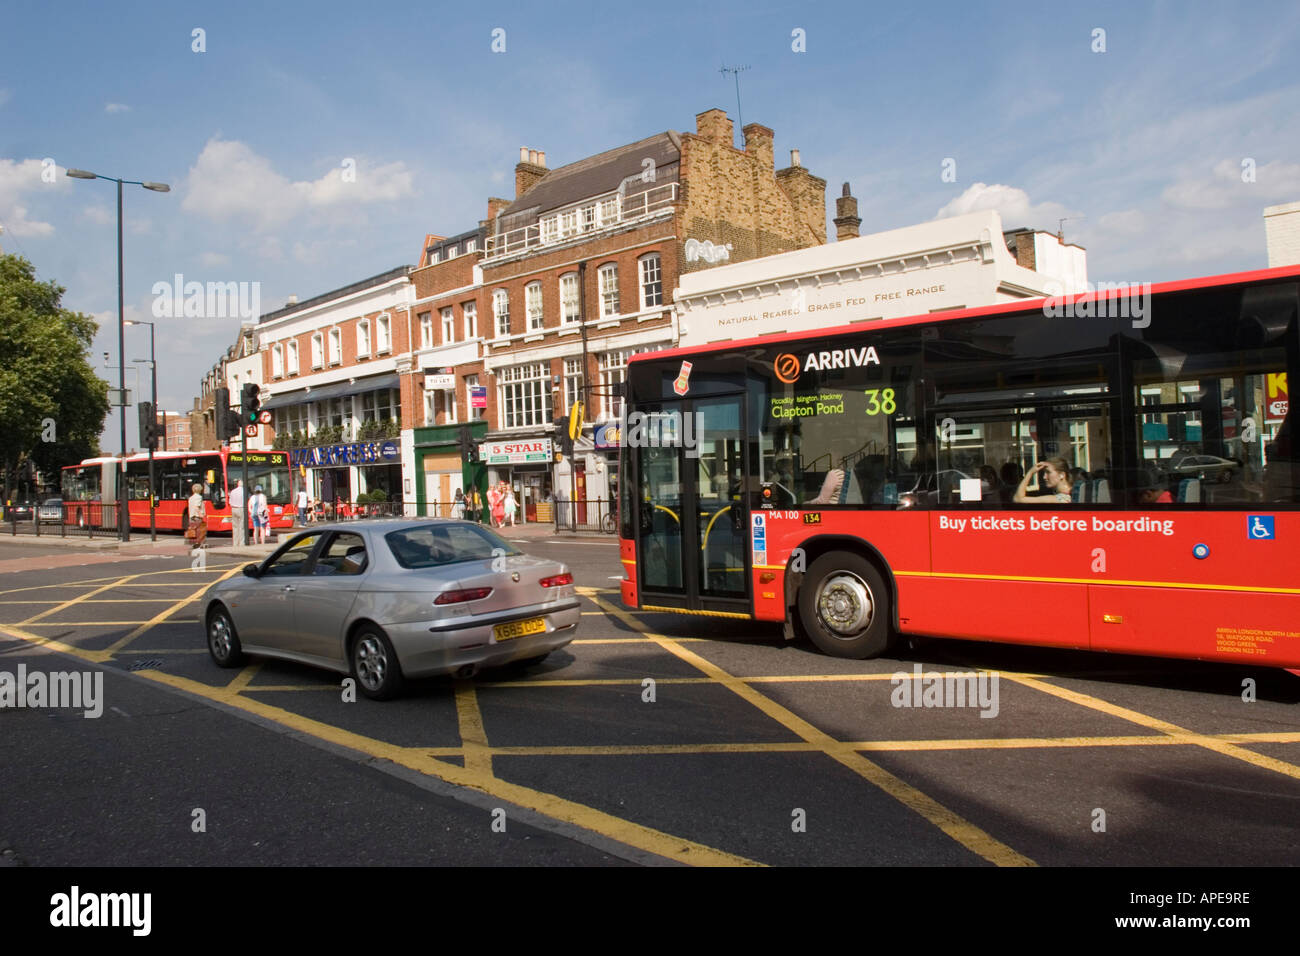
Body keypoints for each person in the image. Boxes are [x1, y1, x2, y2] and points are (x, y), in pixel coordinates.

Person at [187, 482, 207, 548]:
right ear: (200, 490)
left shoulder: (191, 498)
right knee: (201, 531)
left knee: (193, 530)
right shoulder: (199, 497)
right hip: (197, 517)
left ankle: (194, 543)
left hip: (191, 516)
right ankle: (200, 544)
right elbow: (196, 506)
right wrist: (201, 514)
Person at [228, 478, 246, 547]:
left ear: (237, 484)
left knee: (235, 527)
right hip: (241, 508)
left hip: (233, 509)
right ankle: (241, 543)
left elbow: (230, 502)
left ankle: (235, 543)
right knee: (241, 527)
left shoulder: (233, 491)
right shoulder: (244, 491)